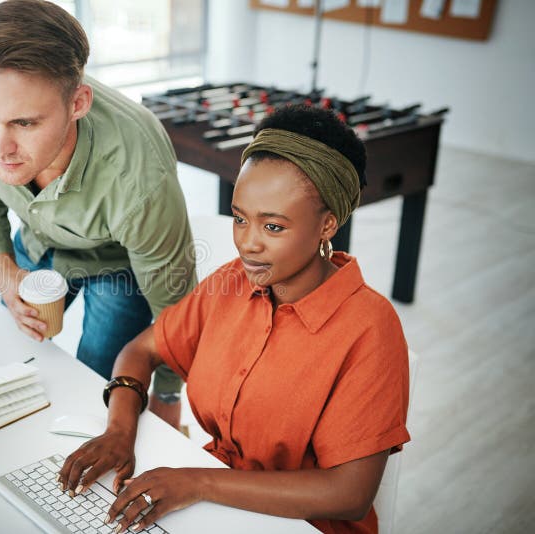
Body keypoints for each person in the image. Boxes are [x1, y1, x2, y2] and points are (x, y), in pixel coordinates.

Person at [58, 104, 411, 534]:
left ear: (327, 224)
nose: (248, 244)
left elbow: (349, 495)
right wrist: (119, 429)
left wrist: (201, 482)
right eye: (240, 219)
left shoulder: (369, 328)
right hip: (211, 502)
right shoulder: (233, 283)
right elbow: (142, 348)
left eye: (274, 227)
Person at [0, 0, 196, 426]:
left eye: (24, 124)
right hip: (40, 238)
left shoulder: (139, 178)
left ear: (78, 103)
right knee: (12, 367)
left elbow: (176, 305)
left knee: (93, 390)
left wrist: (168, 394)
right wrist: (5, 273)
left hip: (118, 264)